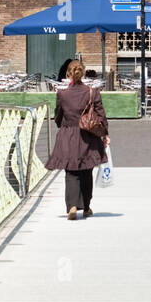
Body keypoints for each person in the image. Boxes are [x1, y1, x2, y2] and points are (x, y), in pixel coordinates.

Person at [45, 59, 109, 219]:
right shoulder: (92, 92)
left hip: (68, 135)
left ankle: (72, 206)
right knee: (87, 171)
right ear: (83, 72)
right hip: (88, 136)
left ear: (68, 74)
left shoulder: (62, 94)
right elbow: (101, 116)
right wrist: (105, 134)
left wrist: (64, 124)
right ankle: (86, 207)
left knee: (71, 172)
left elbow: (58, 117)